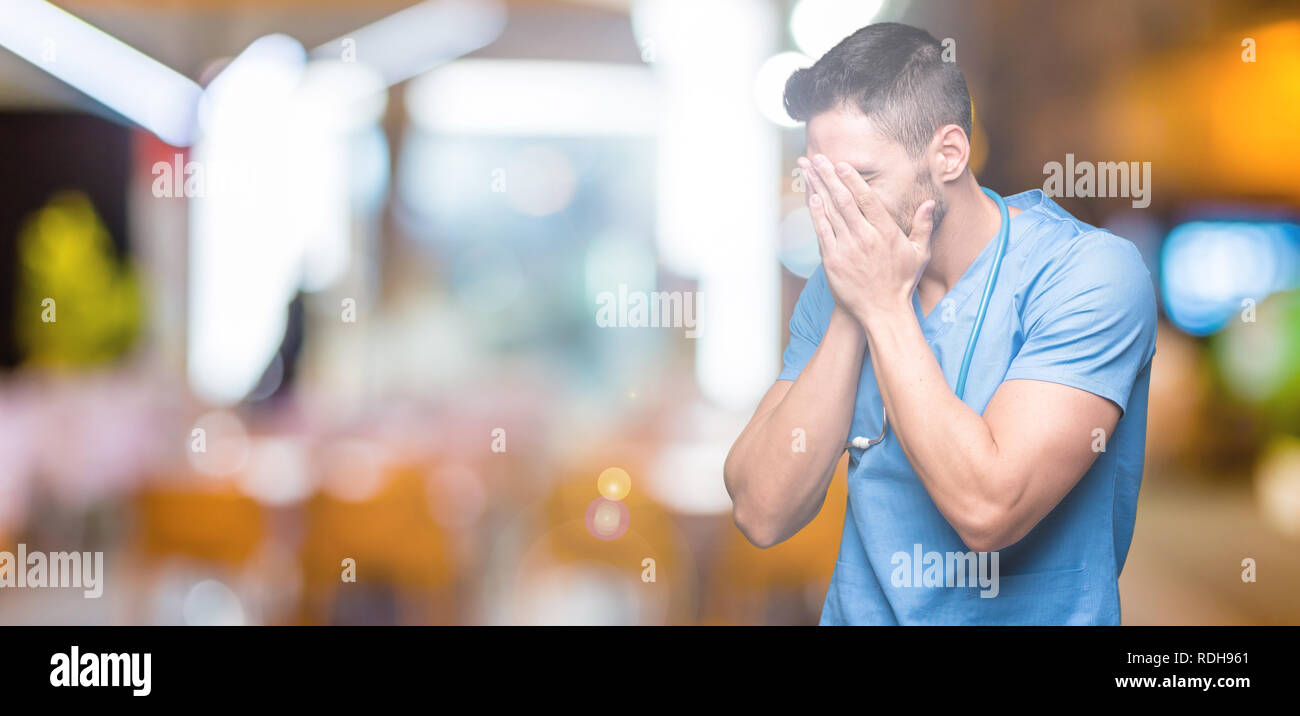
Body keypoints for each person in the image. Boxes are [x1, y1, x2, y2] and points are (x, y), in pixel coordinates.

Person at [723, 22, 1157, 625]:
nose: (838, 211)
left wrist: (882, 307)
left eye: (861, 180)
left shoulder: (1090, 273)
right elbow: (762, 512)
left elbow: (989, 510)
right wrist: (853, 307)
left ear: (949, 154)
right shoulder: (841, 282)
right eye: (822, 183)